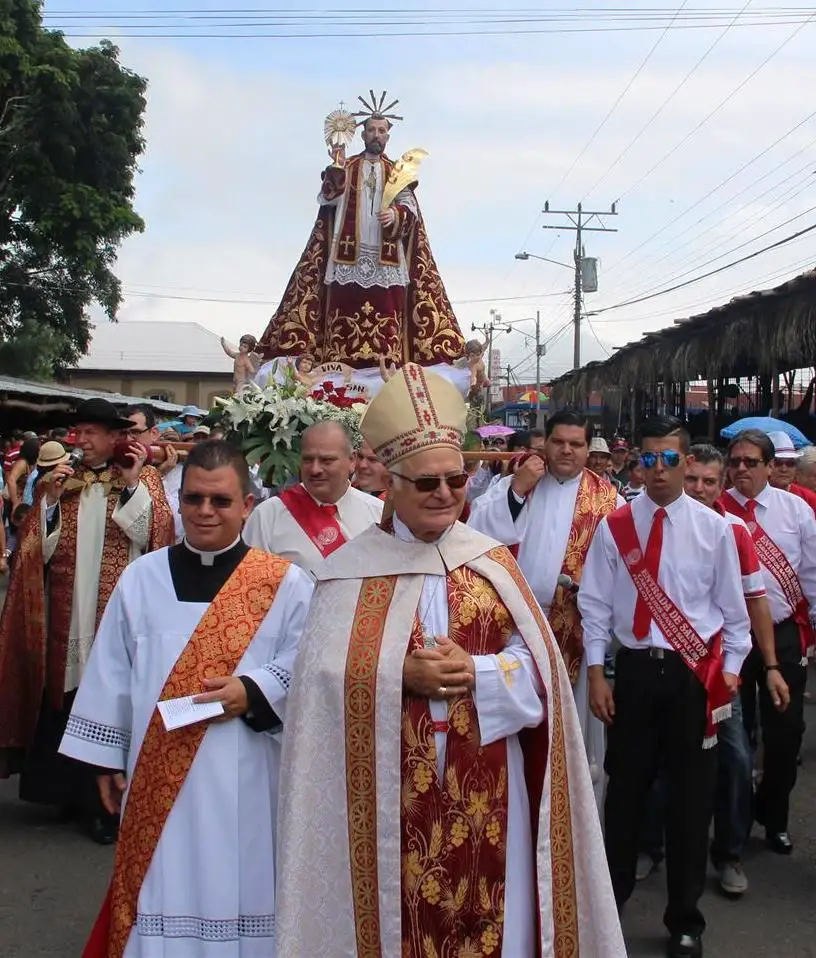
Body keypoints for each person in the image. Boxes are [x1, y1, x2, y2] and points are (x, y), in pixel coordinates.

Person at [275, 363, 624, 957]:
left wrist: (481, 672)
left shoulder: (490, 560)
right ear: (393, 485)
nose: (444, 494)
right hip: (385, 782)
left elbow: (539, 668)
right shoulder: (351, 571)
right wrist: (397, 672)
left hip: (490, 771)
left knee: (493, 919)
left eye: (455, 481)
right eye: (427, 483)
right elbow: (313, 681)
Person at [61, 440, 313, 957]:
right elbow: (112, 671)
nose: (204, 511)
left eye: (220, 501)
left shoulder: (285, 585)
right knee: (161, 886)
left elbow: (309, 668)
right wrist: (106, 760)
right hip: (155, 775)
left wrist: (256, 689)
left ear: (247, 505)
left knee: (243, 889)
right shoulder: (142, 577)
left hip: (248, 779)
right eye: (194, 498)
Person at [580, 416, 751, 958]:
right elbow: (595, 604)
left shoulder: (715, 529)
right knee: (624, 793)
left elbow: (733, 613)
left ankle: (684, 919)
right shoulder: (615, 526)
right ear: (639, 464)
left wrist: (729, 674)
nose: (657, 471)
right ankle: (611, 906)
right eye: (647, 460)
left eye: (668, 460)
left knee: (689, 800)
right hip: (632, 671)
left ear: (687, 462)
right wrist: (594, 674)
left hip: (691, 676)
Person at [0, 398, 175, 843]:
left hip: (116, 608)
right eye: (78, 432)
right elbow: (38, 547)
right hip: (67, 605)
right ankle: (61, 791)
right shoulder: (59, 481)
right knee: (64, 695)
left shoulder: (144, 478)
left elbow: (153, 536)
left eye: (91, 433)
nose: (81, 441)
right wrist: (52, 503)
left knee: (109, 698)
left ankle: (103, 806)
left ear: (116, 437)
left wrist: (134, 485)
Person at [636, 444, 788, 898]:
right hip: (662, 669)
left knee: (736, 761)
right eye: (693, 478)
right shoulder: (645, 520)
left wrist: (771, 665)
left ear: (721, 486)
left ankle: (728, 853)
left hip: (719, 671)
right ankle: (650, 845)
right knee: (658, 762)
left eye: (709, 481)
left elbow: (754, 601)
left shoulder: (733, 530)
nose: (699, 488)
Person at [469, 410, 621, 804]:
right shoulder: (517, 484)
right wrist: (517, 490)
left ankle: (577, 819)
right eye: (559, 442)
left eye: (576, 444)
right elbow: (476, 533)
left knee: (577, 743)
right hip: (515, 628)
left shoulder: (608, 499)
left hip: (575, 629)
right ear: (546, 443)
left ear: (588, 448)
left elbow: (621, 565)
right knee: (519, 735)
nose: (567, 450)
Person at [258, 96, 464, 367]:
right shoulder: (348, 165)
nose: (376, 135)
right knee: (343, 309)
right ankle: (336, 368)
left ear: (388, 136)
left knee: (387, 312)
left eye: (382, 131)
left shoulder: (397, 172)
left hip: (385, 258)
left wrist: (395, 215)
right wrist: (336, 166)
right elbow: (328, 198)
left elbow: (410, 210)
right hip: (347, 256)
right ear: (362, 133)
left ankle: (388, 369)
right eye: (371, 130)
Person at [720, 428, 816, 855]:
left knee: (786, 732)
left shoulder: (795, 510)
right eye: (735, 461)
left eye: (751, 462)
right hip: (731, 638)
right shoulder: (714, 510)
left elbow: (812, 573)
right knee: (735, 739)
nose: (742, 469)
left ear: (769, 466)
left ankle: (773, 816)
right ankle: (732, 825)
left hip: (784, 632)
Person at [243, 420, 382, 575]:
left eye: (326, 460)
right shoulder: (266, 517)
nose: (315, 469)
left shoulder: (379, 515)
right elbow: (250, 590)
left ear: (352, 460)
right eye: (308, 460)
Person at [767, 430, 816, 514]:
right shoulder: (752, 494)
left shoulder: (809, 498)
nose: (784, 469)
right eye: (777, 463)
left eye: (790, 463)